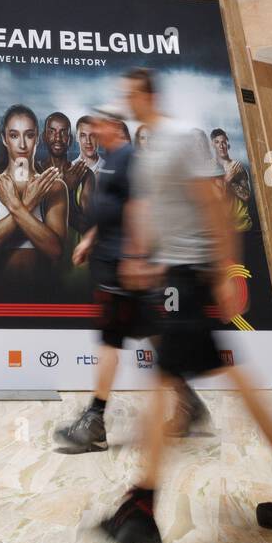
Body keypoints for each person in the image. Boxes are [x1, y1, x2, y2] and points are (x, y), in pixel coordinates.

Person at [97, 69, 272, 543]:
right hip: (172, 277)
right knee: (226, 377)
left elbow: (215, 206)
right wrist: (144, 260)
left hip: (191, 279)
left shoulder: (185, 137)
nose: (125, 102)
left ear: (147, 95)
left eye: (129, 95)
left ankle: (140, 508)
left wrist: (226, 271)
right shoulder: (151, 149)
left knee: (165, 384)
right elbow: (158, 215)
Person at [55, 109, 207, 454]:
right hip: (116, 268)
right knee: (152, 337)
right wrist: (90, 239)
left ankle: (94, 420)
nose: (92, 132)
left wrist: (136, 258)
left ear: (115, 129)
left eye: (99, 125)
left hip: (124, 272)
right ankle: (189, 402)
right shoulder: (110, 161)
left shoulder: (130, 159)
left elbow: (144, 208)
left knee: (110, 340)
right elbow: (111, 210)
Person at [0, 105, 67, 295]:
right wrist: (28, 204)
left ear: (37, 138)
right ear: (4, 139)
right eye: (14, 135)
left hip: (41, 295)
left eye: (29, 135)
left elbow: (55, 251)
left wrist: (15, 205)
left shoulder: (54, 186)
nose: (22, 144)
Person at [42, 111, 94, 248]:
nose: (58, 138)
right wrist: (64, 188)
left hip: (73, 260)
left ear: (70, 139)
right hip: (40, 261)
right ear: (44, 137)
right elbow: (26, 218)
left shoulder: (84, 174)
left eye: (63, 132)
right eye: (52, 132)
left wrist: (59, 195)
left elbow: (89, 227)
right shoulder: (34, 172)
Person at [210, 128, 253, 232]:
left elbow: (247, 196)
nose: (221, 146)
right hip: (223, 229)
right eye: (217, 142)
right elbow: (214, 199)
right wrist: (228, 178)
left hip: (242, 227)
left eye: (224, 142)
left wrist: (232, 180)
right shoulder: (209, 168)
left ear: (228, 145)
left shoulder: (237, 167)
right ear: (212, 145)